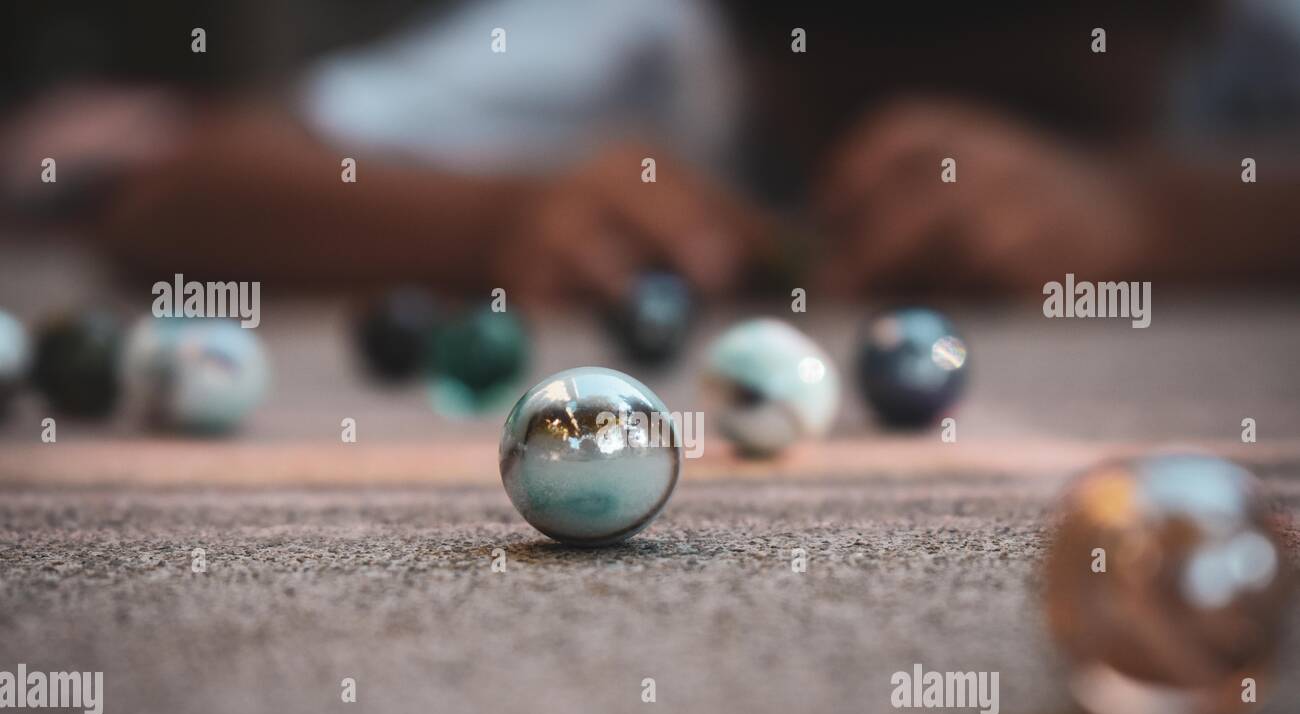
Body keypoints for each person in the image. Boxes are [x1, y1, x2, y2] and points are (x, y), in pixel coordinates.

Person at [3, 0, 1299, 305]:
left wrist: (1162, 217)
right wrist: (489, 221)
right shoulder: (639, 37)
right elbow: (178, 190)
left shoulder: (1257, 36)